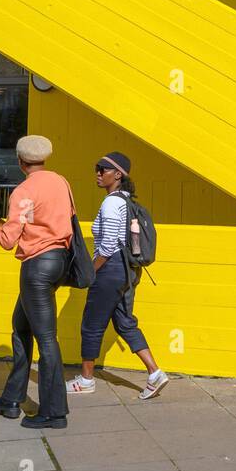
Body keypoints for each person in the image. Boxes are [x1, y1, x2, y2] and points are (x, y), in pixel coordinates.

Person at [0, 135, 73, 429]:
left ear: (21, 162)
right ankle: (11, 398)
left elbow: (10, 240)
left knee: (46, 338)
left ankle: (53, 411)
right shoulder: (61, 182)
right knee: (21, 326)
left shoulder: (23, 191)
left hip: (36, 266)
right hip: (60, 261)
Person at [67, 151, 168, 402]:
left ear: (118, 174)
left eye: (103, 169)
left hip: (110, 270)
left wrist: (91, 270)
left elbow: (109, 244)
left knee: (91, 324)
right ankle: (155, 373)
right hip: (126, 273)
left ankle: (86, 380)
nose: (98, 174)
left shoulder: (112, 202)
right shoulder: (127, 201)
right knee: (124, 322)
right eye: (97, 168)